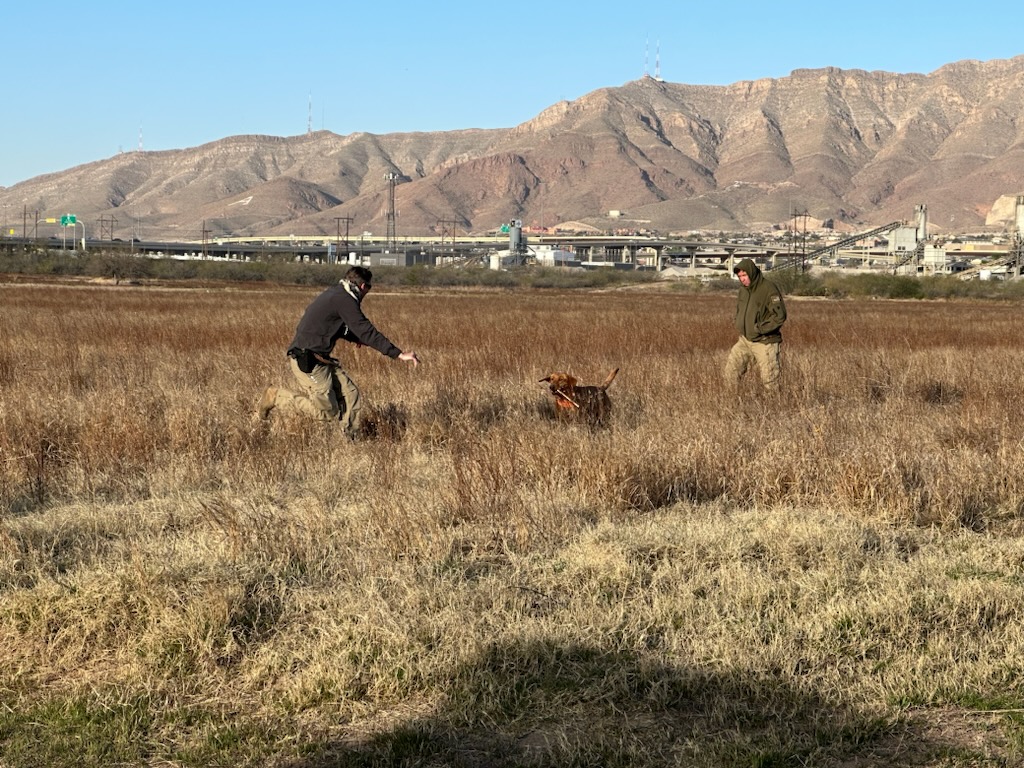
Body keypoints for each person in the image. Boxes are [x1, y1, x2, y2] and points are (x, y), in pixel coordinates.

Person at [258, 266, 419, 437]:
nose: (367, 292)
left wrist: (357, 339)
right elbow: (365, 329)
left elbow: (337, 328)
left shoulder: (337, 293)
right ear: (363, 286)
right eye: (369, 288)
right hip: (307, 360)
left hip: (320, 358)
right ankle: (275, 396)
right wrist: (398, 353)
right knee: (327, 412)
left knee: (351, 395)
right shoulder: (344, 299)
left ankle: (352, 439)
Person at [724, 257, 787, 392]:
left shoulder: (768, 288)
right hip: (745, 340)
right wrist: (739, 322)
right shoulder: (743, 290)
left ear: (752, 273)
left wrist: (759, 329)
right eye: (740, 276)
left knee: (770, 380)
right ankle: (732, 402)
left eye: (745, 275)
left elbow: (779, 316)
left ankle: (776, 408)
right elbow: (740, 310)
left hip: (765, 342)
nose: (742, 279)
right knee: (730, 372)